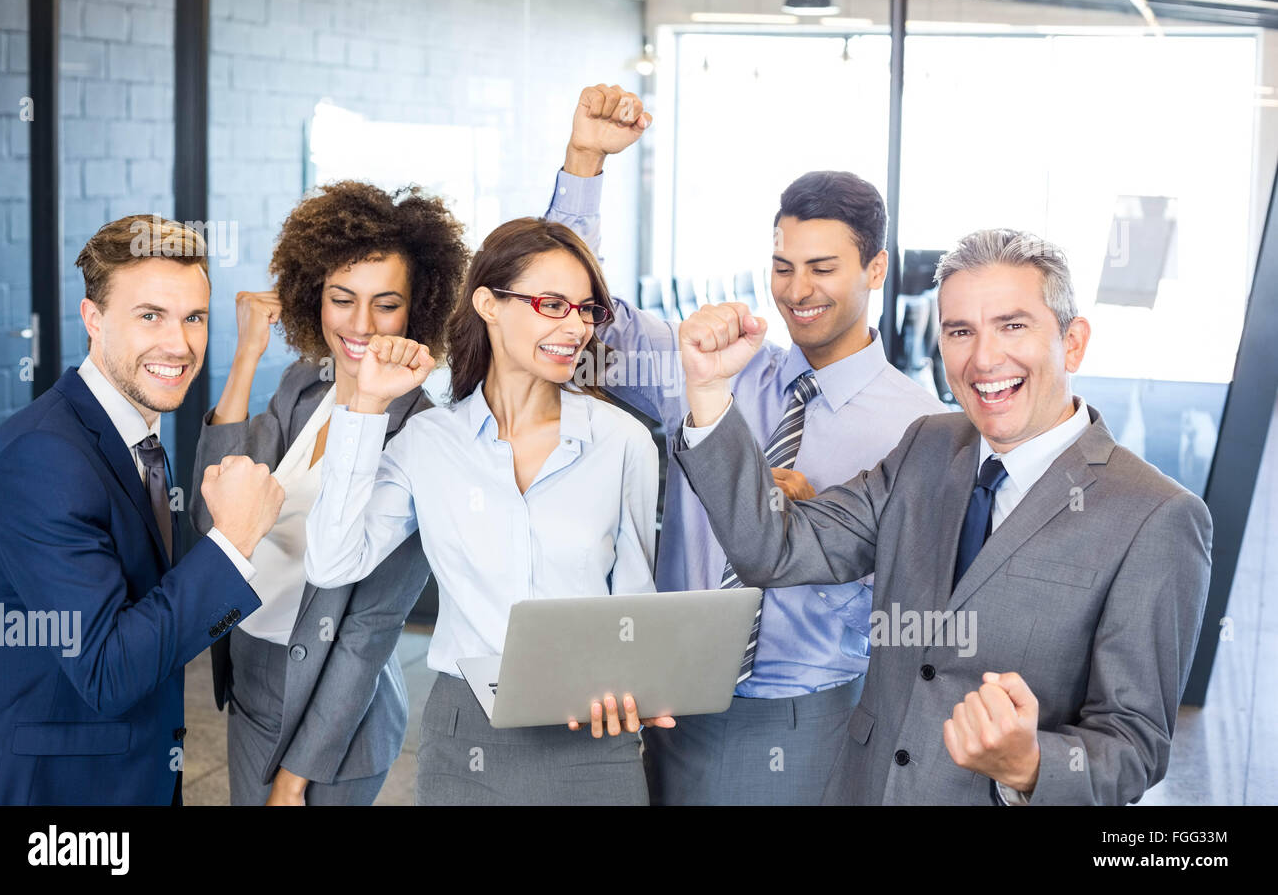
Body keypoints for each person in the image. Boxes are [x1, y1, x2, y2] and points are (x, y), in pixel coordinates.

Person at [670, 228, 1212, 805]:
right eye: (960, 331)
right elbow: (772, 548)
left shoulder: (1157, 516)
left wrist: (1029, 766)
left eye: (1013, 325)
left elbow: (1135, 745)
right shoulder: (927, 445)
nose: (983, 358)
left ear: (1073, 343)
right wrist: (707, 392)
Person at [545, 84, 946, 804]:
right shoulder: (714, 369)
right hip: (665, 697)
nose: (798, 290)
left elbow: (918, 604)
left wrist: (826, 530)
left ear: (875, 270)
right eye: (783, 265)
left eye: (823, 268)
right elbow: (582, 333)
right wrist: (584, 162)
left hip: (801, 711)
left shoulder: (918, 426)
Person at [305, 218, 671, 805]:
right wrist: (367, 405)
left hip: (592, 736)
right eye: (553, 304)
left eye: (586, 310)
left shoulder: (622, 440)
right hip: (466, 733)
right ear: (488, 304)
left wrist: (633, 684)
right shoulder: (429, 441)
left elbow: (634, 600)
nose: (575, 326)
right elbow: (331, 562)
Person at [0, 216, 282, 805]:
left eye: (193, 317)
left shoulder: (131, 433)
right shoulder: (42, 456)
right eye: (151, 316)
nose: (179, 344)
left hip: (133, 773)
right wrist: (233, 542)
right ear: (94, 320)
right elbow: (106, 669)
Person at [187, 181, 470, 805]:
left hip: (334, 723)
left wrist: (295, 780)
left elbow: (367, 632)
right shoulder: (302, 386)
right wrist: (246, 356)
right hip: (254, 677)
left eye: (386, 305)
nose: (361, 325)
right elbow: (216, 514)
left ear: (417, 308)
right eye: (342, 298)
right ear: (314, 294)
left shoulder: (420, 433)